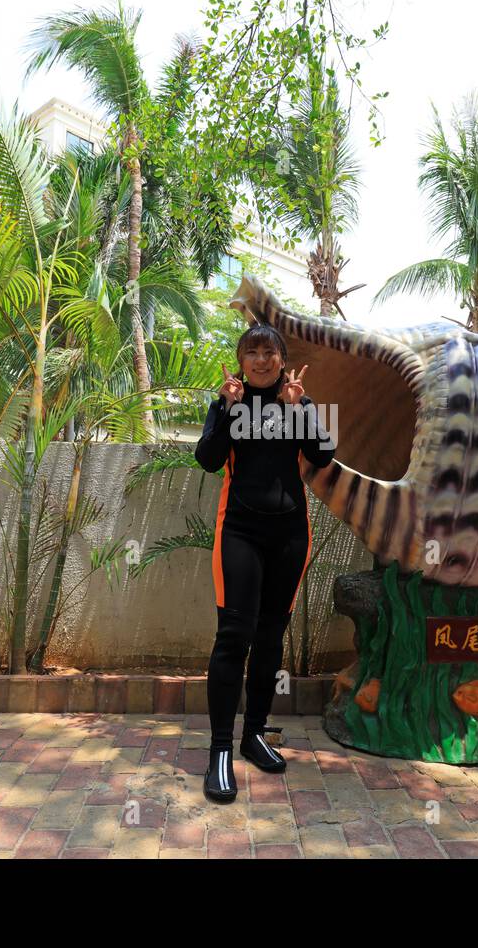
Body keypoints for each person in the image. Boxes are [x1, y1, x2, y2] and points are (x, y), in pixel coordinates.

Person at [193, 323, 335, 803]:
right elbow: (208, 460)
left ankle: (253, 733)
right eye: (250, 352)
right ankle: (218, 751)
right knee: (234, 636)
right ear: (240, 360)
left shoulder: (298, 402)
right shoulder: (227, 405)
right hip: (239, 531)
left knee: (272, 635)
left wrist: (299, 411)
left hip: (291, 534)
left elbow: (324, 455)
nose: (260, 360)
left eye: (268, 352)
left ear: (280, 358)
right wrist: (228, 409)